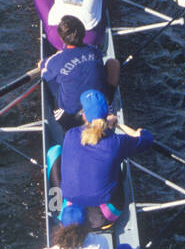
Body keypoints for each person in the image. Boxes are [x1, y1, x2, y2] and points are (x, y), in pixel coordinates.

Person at [60, 89, 154, 224]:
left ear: (84, 116)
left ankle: (56, 207)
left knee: (54, 152)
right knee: (117, 164)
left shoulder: (70, 134)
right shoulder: (117, 142)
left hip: (71, 209)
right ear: (107, 113)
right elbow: (148, 139)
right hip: (106, 216)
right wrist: (135, 131)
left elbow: (91, 135)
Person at [40, 15, 119, 129]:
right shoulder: (95, 51)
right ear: (83, 33)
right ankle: (108, 104)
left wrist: (43, 63)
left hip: (71, 119)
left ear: (62, 39)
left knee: (50, 79)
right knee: (113, 63)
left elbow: (43, 66)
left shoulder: (56, 60)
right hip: (98, 110)